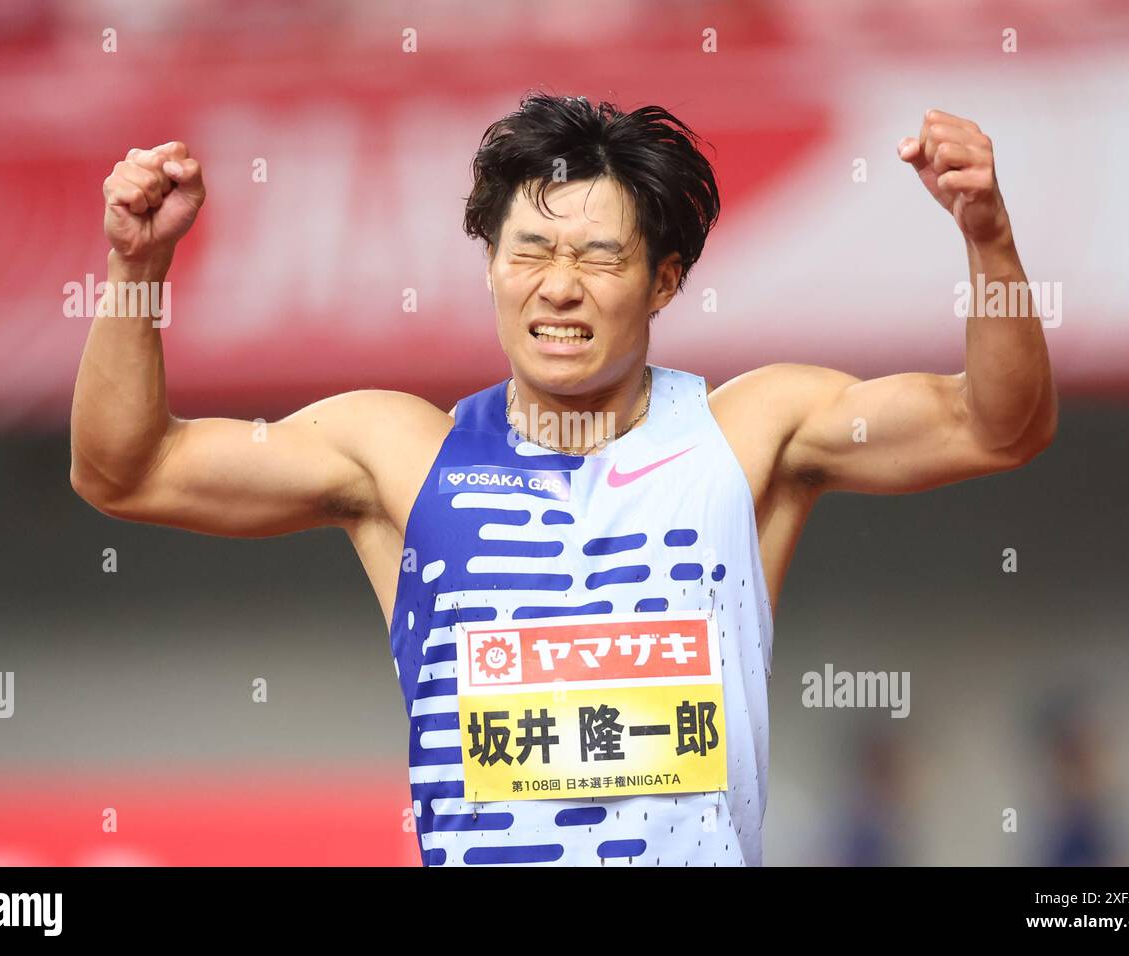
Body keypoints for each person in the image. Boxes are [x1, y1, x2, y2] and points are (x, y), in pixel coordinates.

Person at [71, 93, 1056, 866]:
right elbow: (127, 469)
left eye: (598, 255)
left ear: (663, 279)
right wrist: (136, 270)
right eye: (530, 249)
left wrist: (989, 237)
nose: (558, 285)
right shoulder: (399, 455)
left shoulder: (749, 432)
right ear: (491, 266)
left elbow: (996, 425)